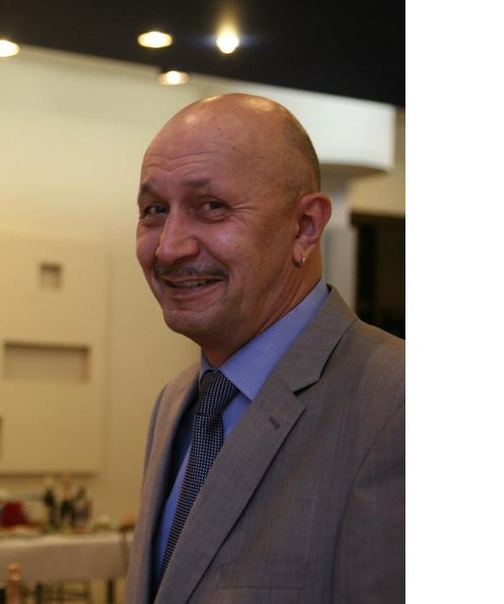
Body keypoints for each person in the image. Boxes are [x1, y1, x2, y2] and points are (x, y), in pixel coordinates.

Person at [126, 93, 404, 604]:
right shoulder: (175, 402)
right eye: (154, 211)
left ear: (305, 227)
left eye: (211, 207)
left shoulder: (400, 405)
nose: (169, 247)